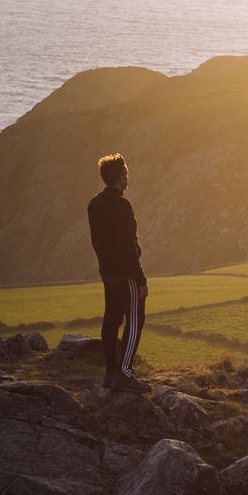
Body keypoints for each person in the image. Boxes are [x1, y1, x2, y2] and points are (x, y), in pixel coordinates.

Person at [87, 153, 151, 393]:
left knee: (111, 320)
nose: (128, 177)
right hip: (126, 275)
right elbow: (127, 246)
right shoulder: (122, 206)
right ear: (120, 177)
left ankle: (110, 372)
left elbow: (96, 241)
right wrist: (141, 279)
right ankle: (125, 374)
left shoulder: (94, 204)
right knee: (135, 320)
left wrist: (105, 265)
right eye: (126, 173)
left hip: (108, 273)